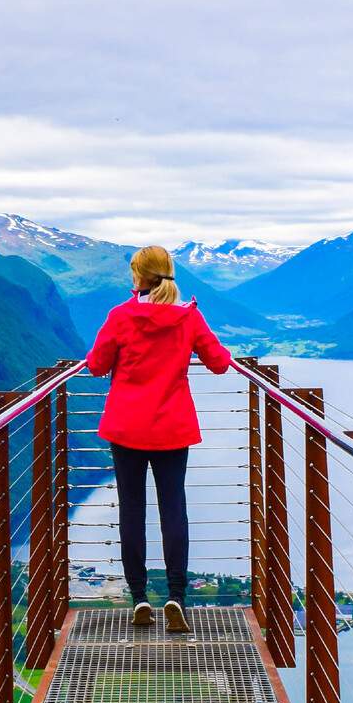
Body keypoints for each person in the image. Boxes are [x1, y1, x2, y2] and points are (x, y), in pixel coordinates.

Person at [84, 245, 233, 632]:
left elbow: (97, 365)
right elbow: (219, 363)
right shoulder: (188, 317)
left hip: (127, 426)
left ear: (138, 277)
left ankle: (138, 598)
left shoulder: (120, 316)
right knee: (174, 509)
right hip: (172, 427)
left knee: (132, 511)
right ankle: (177, 597)